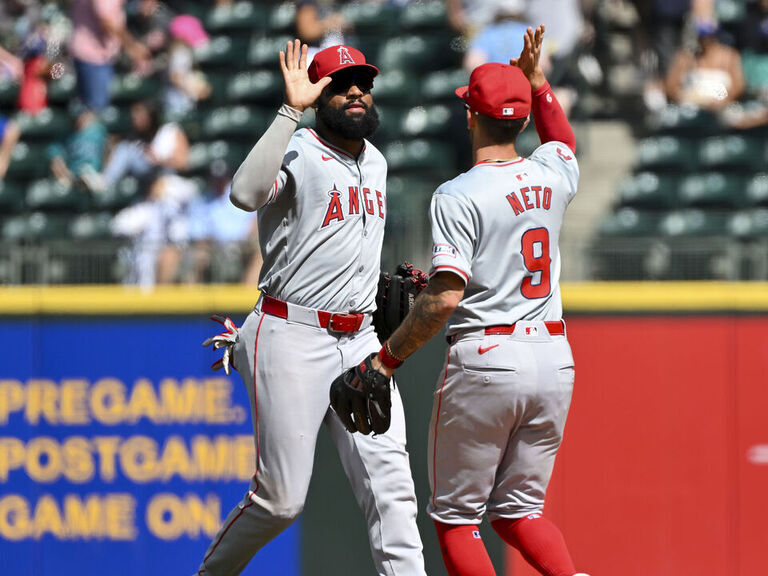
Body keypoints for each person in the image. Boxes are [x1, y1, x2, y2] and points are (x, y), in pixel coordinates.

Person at [337, 26, 591, 576]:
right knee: (520, 512)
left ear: (470, 116)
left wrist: (386, 359)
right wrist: (539, 83)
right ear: (521, 121)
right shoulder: (553, 173)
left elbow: (447, 295)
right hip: (553, 356)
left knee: (456, 519)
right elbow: (562, 139)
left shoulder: (458, 194)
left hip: (486, 359)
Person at [195, 40, 426, 575]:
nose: (354, 93)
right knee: (281, 502)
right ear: (317, 94)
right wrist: (288, 110)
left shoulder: (379, 163)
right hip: (289, 332)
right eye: (340, 84)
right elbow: (245, 194)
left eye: (363, 84)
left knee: (392, 491)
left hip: (360, 341)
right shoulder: (299, 147)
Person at [69, 0, 150, 112]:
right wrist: (132, 47)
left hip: (95, 57)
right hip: (94, 59)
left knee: (89, 109)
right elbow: (107, 21)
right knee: (96, 111)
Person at [101, 98, 189, 188]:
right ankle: (103, 183)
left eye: (139, 114)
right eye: (134, 115)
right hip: (145, 182)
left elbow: (182, 163)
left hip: (168, 181)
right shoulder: (134, 136)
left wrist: (159, 160)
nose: (135, 118)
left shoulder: (169, 131)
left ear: (150, 115)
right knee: (124, 149)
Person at [665, 20, 745, 111]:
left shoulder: (729, 56)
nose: (705, 41)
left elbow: (738, 86)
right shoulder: (685, 57)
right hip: (690, 110)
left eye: (709, 37)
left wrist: (724, 100)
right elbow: (671, 86)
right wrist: (685, 98)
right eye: (702, 37)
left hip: (721, 110)